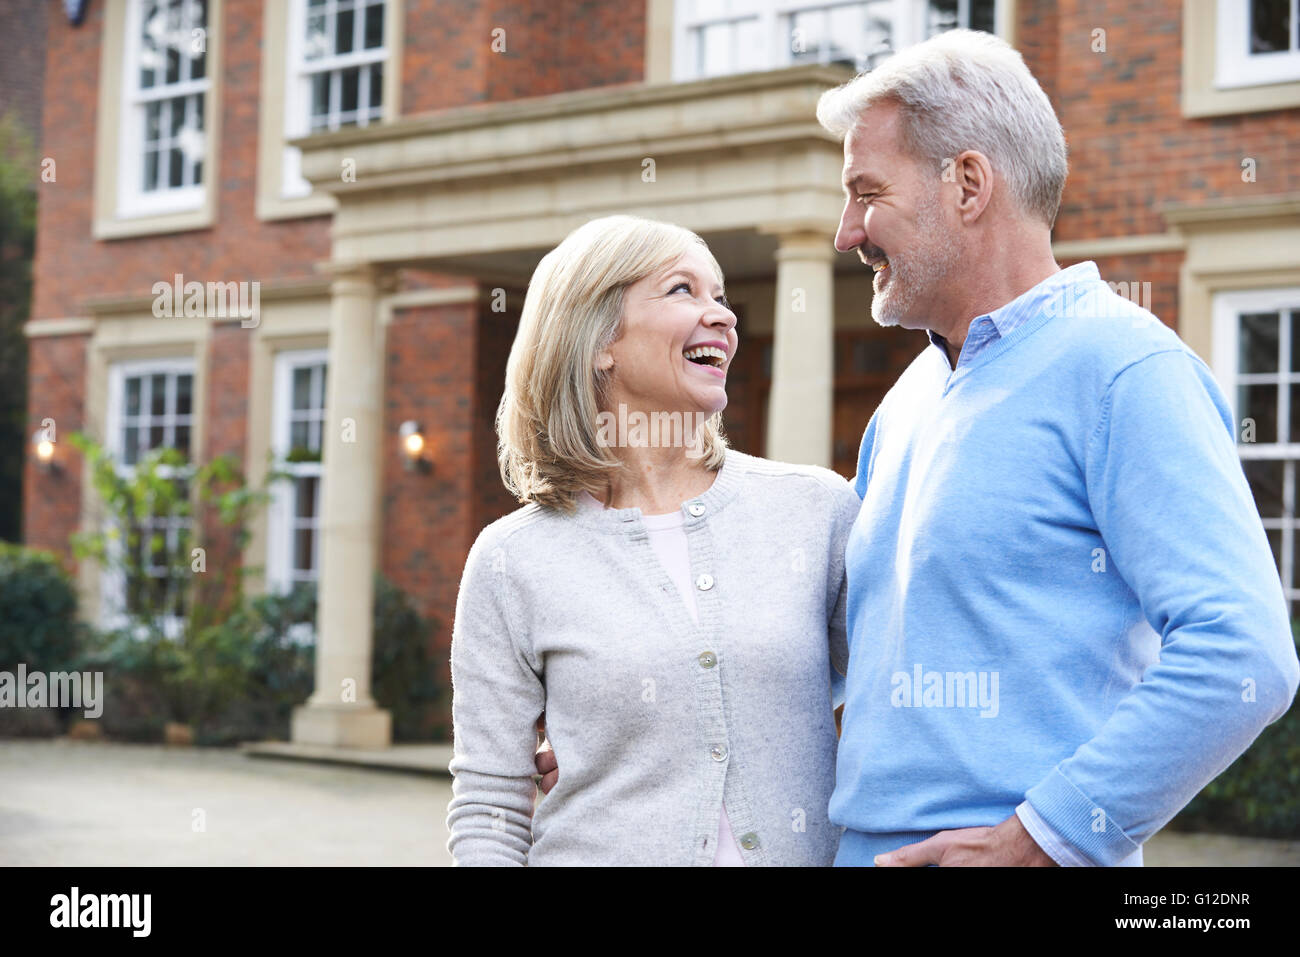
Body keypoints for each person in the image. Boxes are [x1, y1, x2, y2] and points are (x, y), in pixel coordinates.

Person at [815, 29, 1300, 866]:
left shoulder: (1125, 370)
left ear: (967, 183)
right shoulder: (905, 403)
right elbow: (844, 666)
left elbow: (1243, 652)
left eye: (866, 192)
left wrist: (1045, 837)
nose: (845, 232)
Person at [445, 214, 860, 866]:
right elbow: (490, 804)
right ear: (598, 338)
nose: (722, 315)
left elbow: (896, 703)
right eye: (682, 291)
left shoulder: (817, 510)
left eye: (721, 295)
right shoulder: (510, 560)